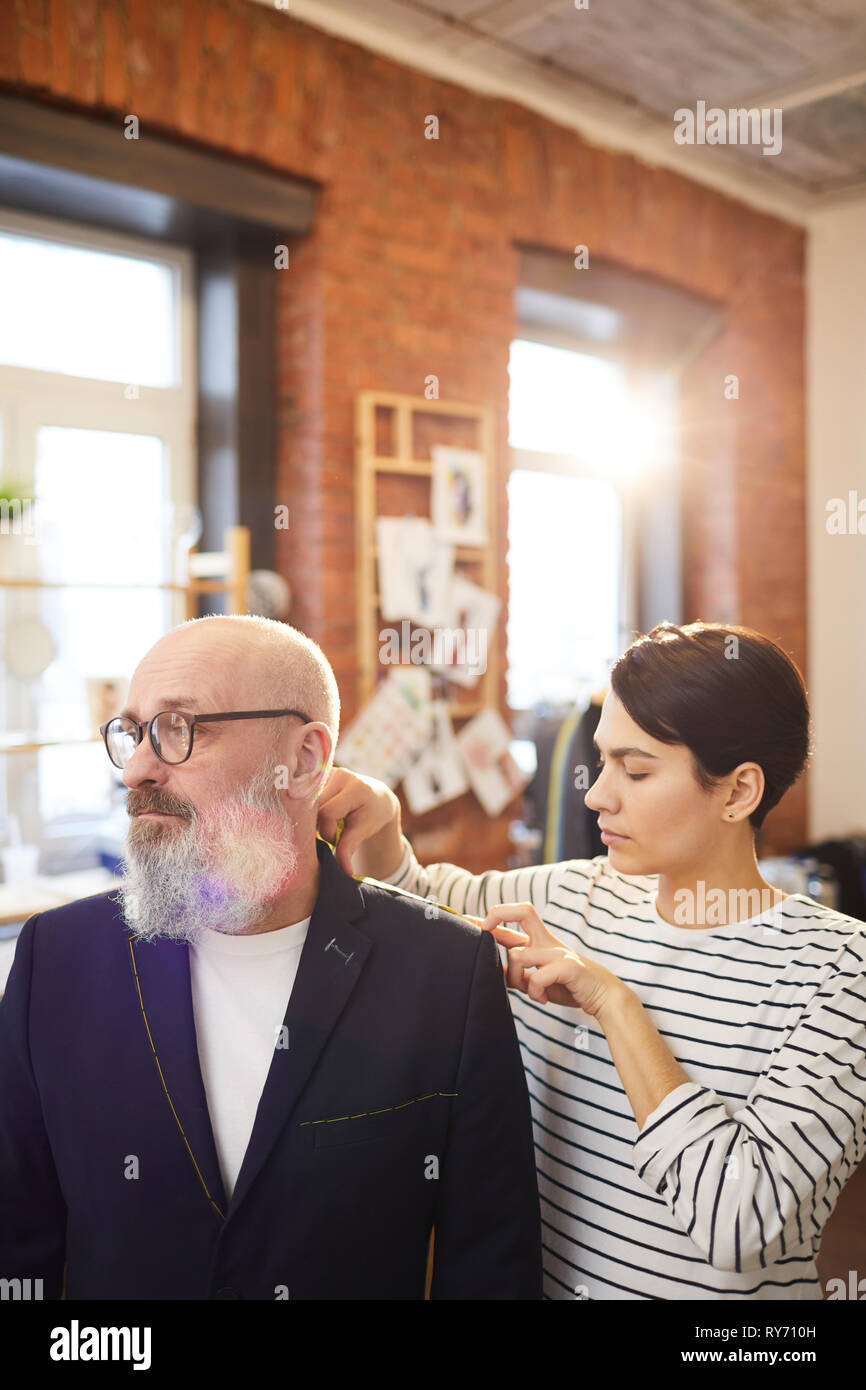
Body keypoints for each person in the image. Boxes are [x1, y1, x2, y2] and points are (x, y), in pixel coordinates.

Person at [319, 621, 866, 1301]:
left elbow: (739, 1230)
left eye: (635, 771)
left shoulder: (840, 972)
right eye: (603, 761)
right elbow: (419, 901)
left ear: (738, 792)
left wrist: (615, 1006)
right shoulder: (574, 895)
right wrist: (383, 814)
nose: (596, 794)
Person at [0, 615, 542, 1300]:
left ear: (307, 759)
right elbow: (16, 1243)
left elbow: (492, 1267)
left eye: (179, 728)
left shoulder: (446, 973)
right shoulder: (58, 961)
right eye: (132, 731)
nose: (137, 767)